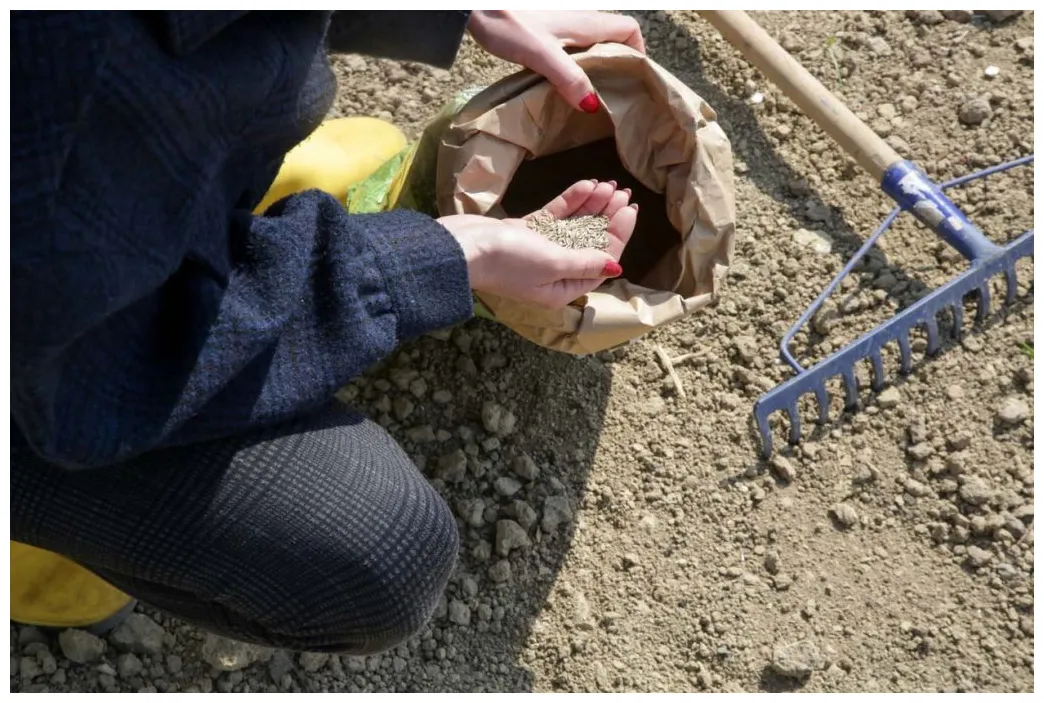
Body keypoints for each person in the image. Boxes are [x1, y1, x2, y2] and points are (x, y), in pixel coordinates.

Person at [10, 11, 644, 653]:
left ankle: (209, 210)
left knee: (347, 150)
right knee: (383, 557)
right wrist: (436, 256)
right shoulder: (56, 78)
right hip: (52, 372)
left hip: (82, 233)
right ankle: (50, 555)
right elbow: (120, 365)